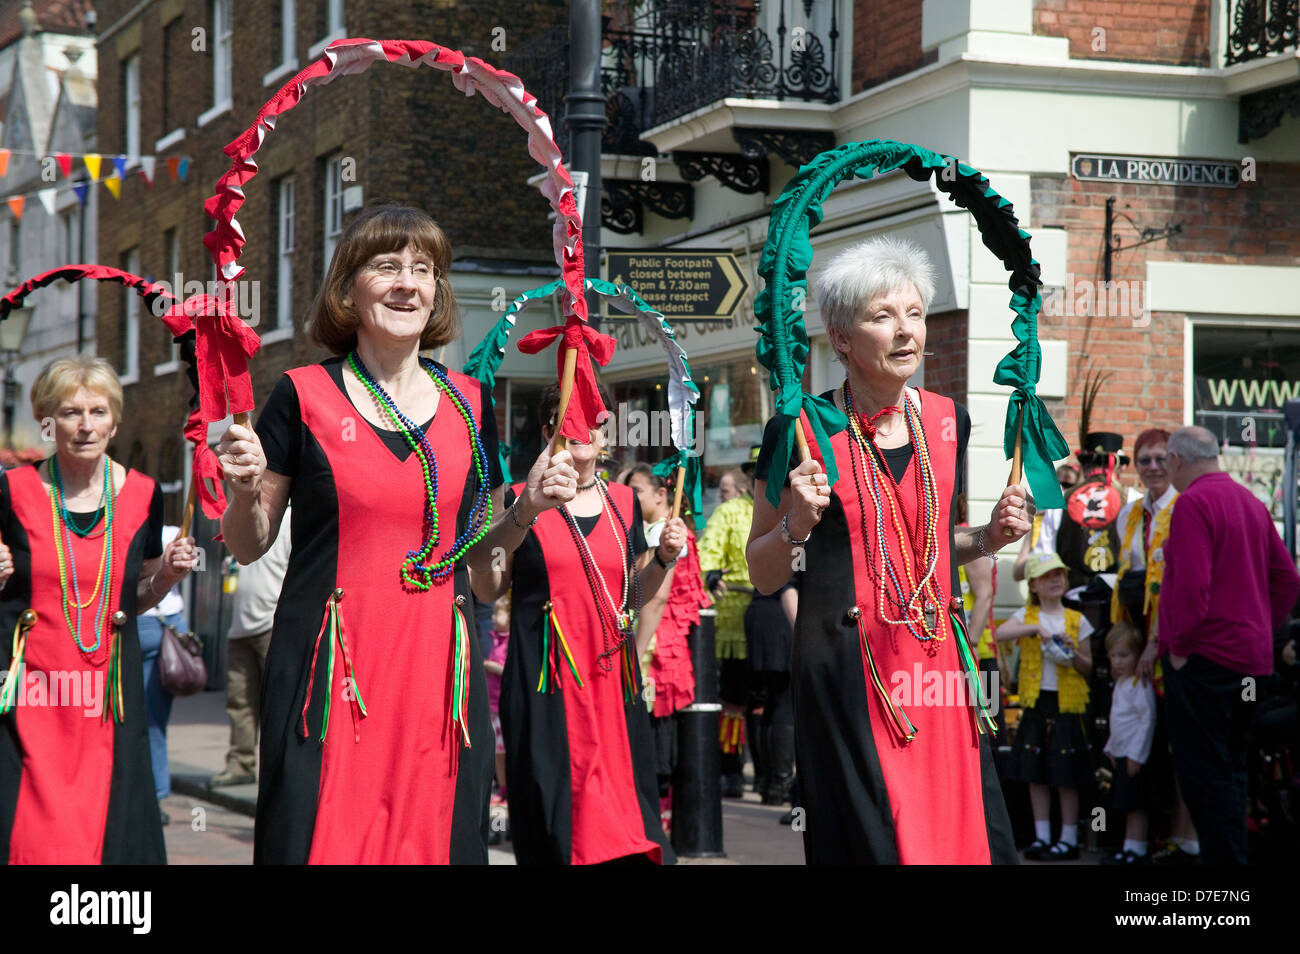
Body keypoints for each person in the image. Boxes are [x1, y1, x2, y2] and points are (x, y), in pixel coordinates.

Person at [218, 205, 514, 864]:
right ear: (349, 286)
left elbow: (486, 564)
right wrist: (243, 488)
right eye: (387, 266)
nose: (407, 283)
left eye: (424, 269)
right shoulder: (301, 395)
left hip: (438, 676)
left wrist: (528, 513)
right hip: (331, 673)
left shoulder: (472, 404)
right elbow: (247, 543)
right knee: (323, 838)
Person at [747, 236, 1028, 864]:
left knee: (957, 835)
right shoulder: (797, 429)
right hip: (848, 667)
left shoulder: (949, 419)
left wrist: (988, 536)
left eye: (915, 314)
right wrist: (795, 519)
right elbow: (763, 573)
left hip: (933, 665)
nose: (906, 332)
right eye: (882, 316)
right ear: (841, 337)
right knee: (874, 838)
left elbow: (918, 550)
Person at [478, 383, 686, 865]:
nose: (582, 427)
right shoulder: (516, 498)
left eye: (593, 417)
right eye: (566, 418)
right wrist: (524, 511)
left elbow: (628, 597)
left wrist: (663, 560)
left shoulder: (624, 502)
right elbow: (486, 588)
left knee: (624, 821)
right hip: (545, 685)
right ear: (550, 429)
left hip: (612, 684)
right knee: (556, 821)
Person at [0, 356, 197, 863]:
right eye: (69, 412)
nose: (85, 425)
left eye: (97, 411)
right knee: (31, 832)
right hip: (30, 693)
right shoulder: (10, 492)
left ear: (115, 420)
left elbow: (139, 595)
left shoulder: (145, 495)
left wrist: (169, 575)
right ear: (48, 420)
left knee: (107, 827)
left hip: (110, 694)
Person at [1157, 425, 1300, 864]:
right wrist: (1262, 627)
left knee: (1206, 775)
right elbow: (1288, 578)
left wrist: (1179, 647)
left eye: (1165, 462)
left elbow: (1193, 588)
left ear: (1178, 461)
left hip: (1205, 662)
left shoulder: (1194, 503)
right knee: (1234, 765)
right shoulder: (1251, 502)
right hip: (1250, 666)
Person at [1113, 428, 1197, 863]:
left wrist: (1157, 643)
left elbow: (1178, 585)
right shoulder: (1127, 514)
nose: (1152, 468)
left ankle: (1185, 840)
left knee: (1178, 744)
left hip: (1176, 643)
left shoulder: (1186, 508)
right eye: (1143, 460)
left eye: (1160, 458)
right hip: (1138, 638)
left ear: (1176, 460)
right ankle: (1140, 840)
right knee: (1135, 740)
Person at [996, 553, 1094, 860]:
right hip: (1036, 702)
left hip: (1067, 705)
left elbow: (1088, 666)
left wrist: (1072, 651)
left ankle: (1067, 838)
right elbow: (998, 633)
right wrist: (1035, 630)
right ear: (1034, 585)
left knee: (1066, 774)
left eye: (1060, 575)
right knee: (1034, 773)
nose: (1056, 580)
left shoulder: (1078, 620)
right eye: (1047, 576)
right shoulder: (1026, 616)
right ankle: (1041, 837)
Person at [625, 464, 704, 829]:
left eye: (636, 489)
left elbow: (655, 600)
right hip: (667, 643)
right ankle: (658, 822)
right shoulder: (673, 529)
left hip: (655, 646)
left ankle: (652, 824)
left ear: (661, 495)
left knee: (652, 740)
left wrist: (637, 652)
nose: (630, 496)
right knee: (659, 740)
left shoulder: (661, 532)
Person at [210, 507, 292, 788]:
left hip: (273, 625)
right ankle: (241, 763)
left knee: (277, 704)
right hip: (240, 626)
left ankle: (278, 772)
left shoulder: (290, 517)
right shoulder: (242, 517)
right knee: (239, 703)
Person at [697, 467, 754, 797]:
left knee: (771, 703)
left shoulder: (787, 507)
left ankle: (771, 780)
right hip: (734, 623)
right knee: (732, 701)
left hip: (777, 617)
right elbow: (708, 557)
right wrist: (713, 574)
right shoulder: (729, 512)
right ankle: (731, 772)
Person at [137, 523, 189, 821]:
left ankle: (147, 795)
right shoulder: (174, 533)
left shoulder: (168, 533)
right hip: (165, 622)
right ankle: (154, 795)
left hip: (150, 622)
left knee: (134, 719)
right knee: (153, 721)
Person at [1100, 621, 1156, 865]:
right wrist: (1112, 748)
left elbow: (1147, 719)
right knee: (1126, 802)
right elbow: (1117, 719)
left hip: (1134, 755)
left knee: (1137, 805)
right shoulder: (1121, 683)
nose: (1118, 661)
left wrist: (1136, 754)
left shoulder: (1139, 685)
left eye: (1124, 655)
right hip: (1122, 753)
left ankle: (1138, 848)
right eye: (1113, 656)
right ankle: (1127, 846)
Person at [483, 595, 510, 807]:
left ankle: (509, 788)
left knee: (505, 750)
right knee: (497, 752)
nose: (493, 617)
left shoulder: (510, 641)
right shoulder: (493, 638)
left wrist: (492, 667)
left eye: (498, 613)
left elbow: (509, 671)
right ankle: (502, 788)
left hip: (503, 705)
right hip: (492, 706)